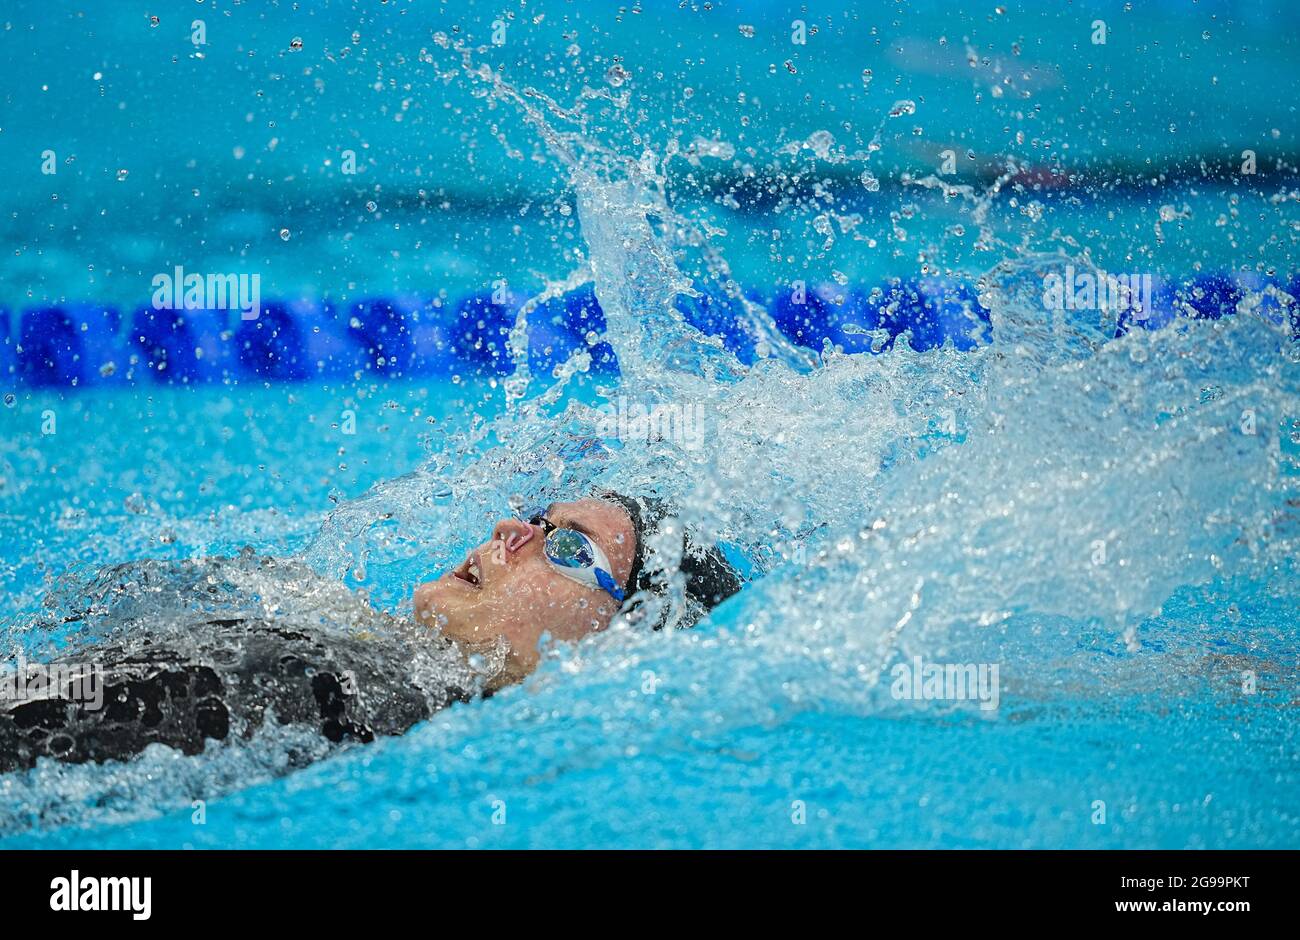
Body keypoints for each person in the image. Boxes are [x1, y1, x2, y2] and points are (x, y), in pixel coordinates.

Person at [0, 492, 741, 774]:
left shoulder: (346, 692)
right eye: (540, 519)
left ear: (623, 642)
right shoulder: (362, 672)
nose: (512, 531)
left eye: (570, 548)